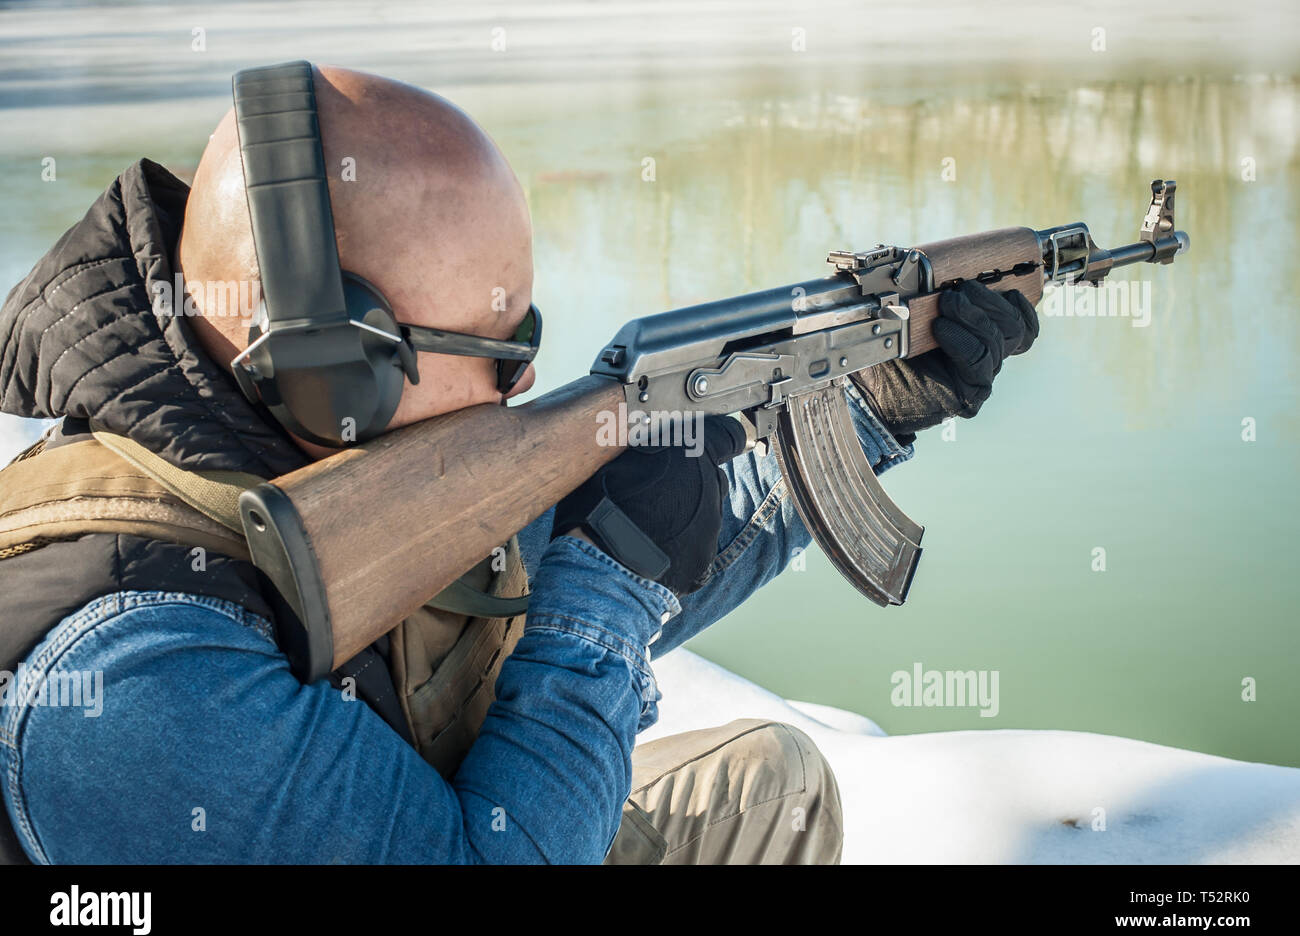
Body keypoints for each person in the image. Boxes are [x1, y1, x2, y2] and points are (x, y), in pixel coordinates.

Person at [0, 64, 1037, 865]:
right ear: (336, 370)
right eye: (501, 355)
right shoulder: (127, 674)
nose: (530, 380)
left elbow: (588, 595)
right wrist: (607, 589)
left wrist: (865, 406)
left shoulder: (330, 463)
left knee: (768, 783)